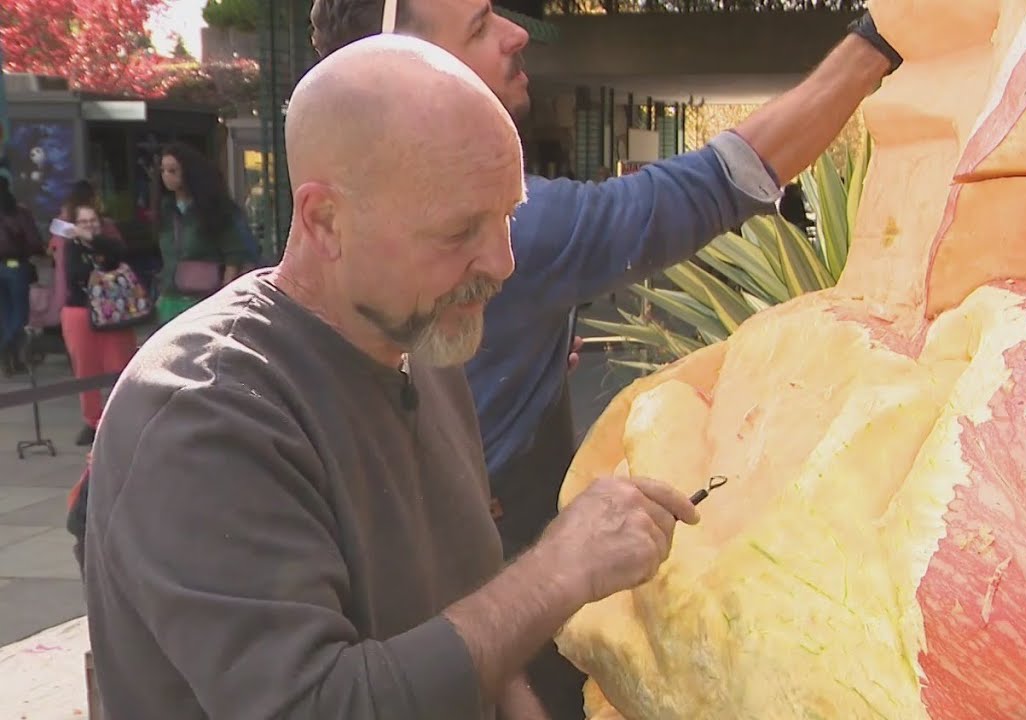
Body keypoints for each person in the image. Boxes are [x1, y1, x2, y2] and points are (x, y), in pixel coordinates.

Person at [81, 34, 699, 720]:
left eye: (507, 216)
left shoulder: (421, 346)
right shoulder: (206, 413)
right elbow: (320, 706)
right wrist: (558, 571)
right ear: (326, 220)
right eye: (459, 231)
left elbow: (467, 627)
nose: (502, 261)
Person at [309, 0, 902, 714]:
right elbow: (707, 188)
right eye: (477, 26)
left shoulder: (395, 332)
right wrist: (878, 40)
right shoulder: (209, 407)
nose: (516, 32)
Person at [59, 203, 139, 447]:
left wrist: (95, 241)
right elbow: (78, 276)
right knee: (86, 367)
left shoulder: (108, 242)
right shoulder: (71, 247)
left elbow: (120, 256)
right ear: (74, 225)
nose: (89, 226)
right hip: (81, 312)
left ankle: (122, 418)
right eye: (83, 222)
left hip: (114, 313)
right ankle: (92, 421)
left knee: (119, 364)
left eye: (93, 221)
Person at [155, 142, 256, 324]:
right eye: (163, 171)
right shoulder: (166, 209)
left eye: (172, 170)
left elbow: (233, 256)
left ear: (188, 172)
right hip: (170, 298)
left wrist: (225, 299)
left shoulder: (212, 209)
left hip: (204, 298)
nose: (166, 176)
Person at [0, 175, 43, 376]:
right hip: (16, 267)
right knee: (19, 314)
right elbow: (34, 241)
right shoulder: (19, 212)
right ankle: (7, 347)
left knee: (7, 314)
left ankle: (12, 359)